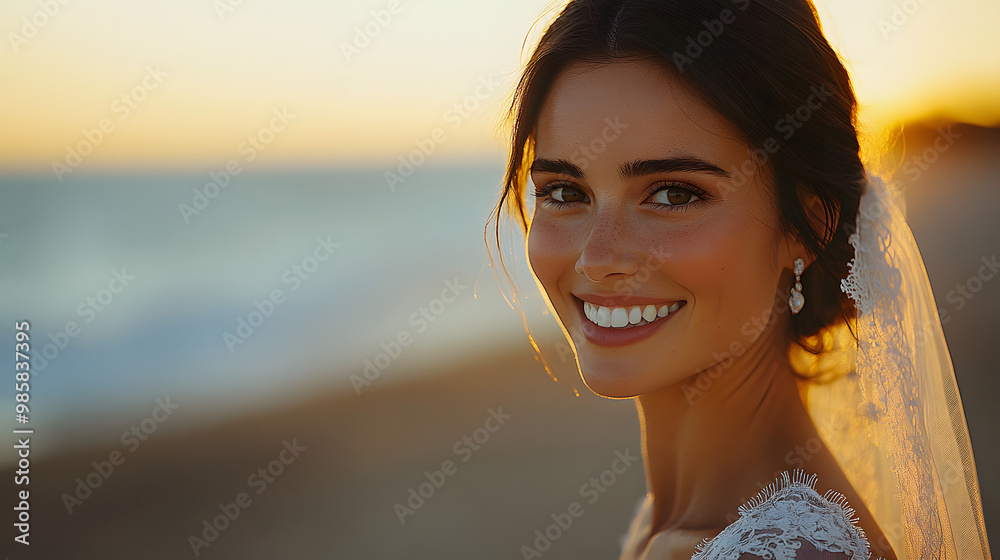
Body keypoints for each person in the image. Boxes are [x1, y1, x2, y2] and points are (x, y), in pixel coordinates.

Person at [488, 0, 993, 558]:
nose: (597, 257)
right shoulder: (673, 523)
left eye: (674, 194)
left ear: (810, 226)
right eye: (564, 192)